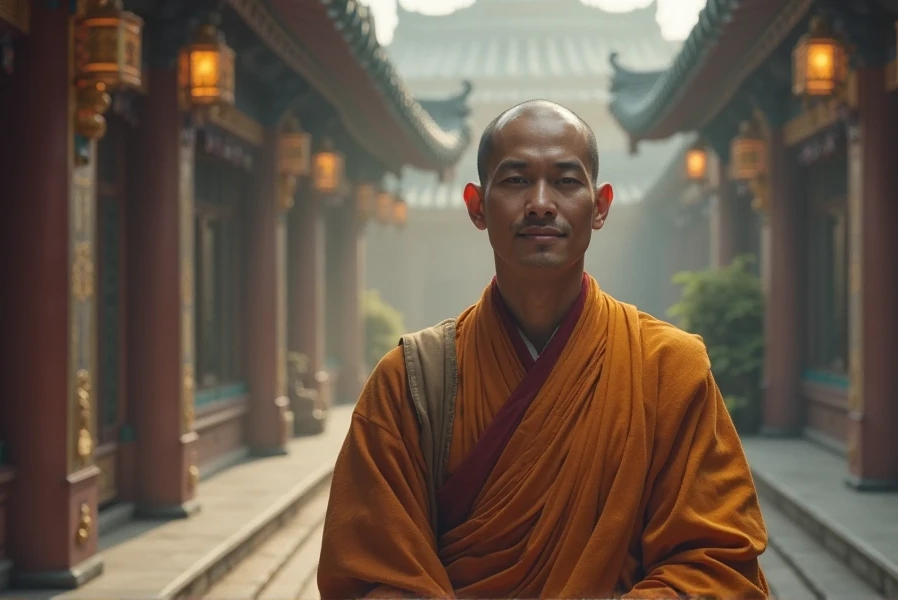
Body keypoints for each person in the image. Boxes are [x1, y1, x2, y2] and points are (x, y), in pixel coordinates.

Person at [317, 99, 770, 599]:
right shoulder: (410, 382)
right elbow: (372, 570)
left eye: (566, 181)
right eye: (515, 180)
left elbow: (714, 561)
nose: (539, 203)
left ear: (600, 206)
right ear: (476, 205)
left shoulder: (667, 369)